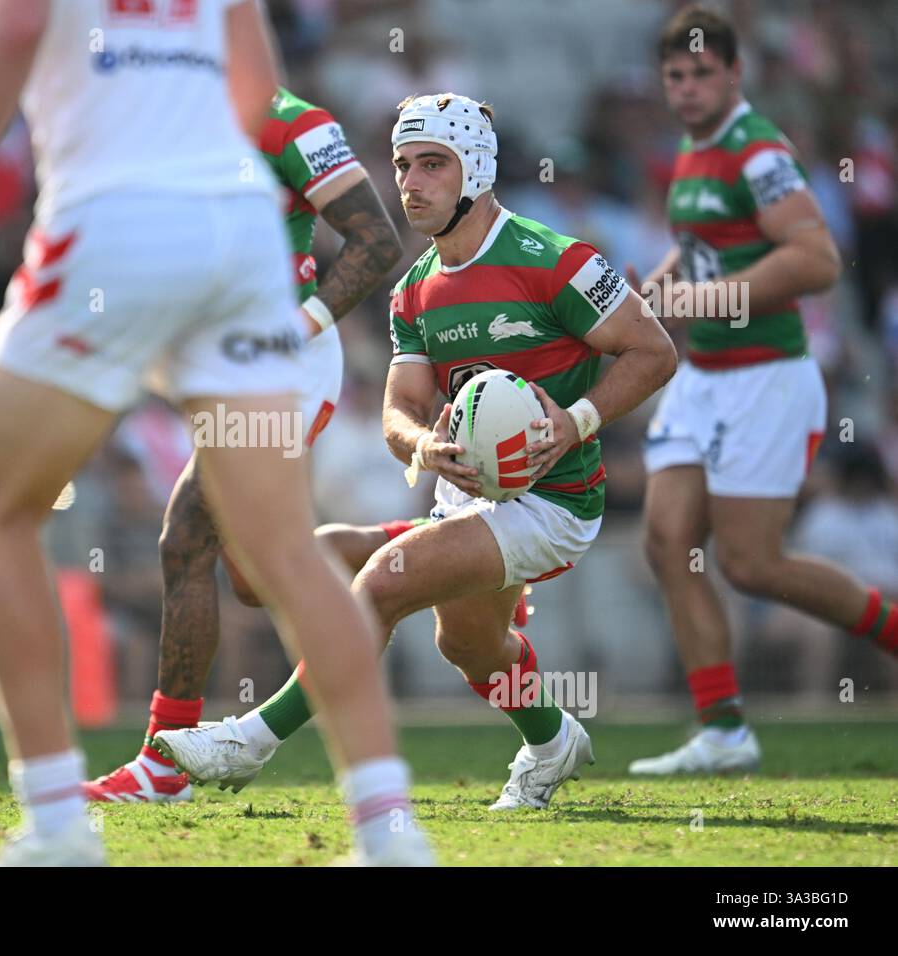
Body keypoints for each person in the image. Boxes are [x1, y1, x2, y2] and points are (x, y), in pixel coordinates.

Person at [0, 0, 432, 866]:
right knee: (282, 555)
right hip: (235, 233)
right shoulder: (271, 105)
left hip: (117, 219)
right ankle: (389, 834)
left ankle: (59, 827)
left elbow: (13, 27)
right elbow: (255, 82)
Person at [156, 92, 676, 811]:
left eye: (433, 164)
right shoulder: (413, 292)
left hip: (553, 502)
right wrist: (426, 445)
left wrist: (575, 420)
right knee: (461, 641)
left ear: (478, 170)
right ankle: (553, 740)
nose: (411, 183)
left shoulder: (559, 261)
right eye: (402, 165)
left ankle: (250, 740)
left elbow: (654, 351)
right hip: (466, 497)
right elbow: (398, 410)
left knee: (383, 578)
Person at [84, 86, 403, 804]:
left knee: (186, 536)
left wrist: (302, 325)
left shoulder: (292, 122)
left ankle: (166, 765)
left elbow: (377, 239)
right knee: (259, 575)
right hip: (227, 363)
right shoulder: (165, 118)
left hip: (285, 365)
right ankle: (428, 549)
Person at [630, 6, 896, 776]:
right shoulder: (692, 150)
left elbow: (815, 259)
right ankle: (722, 730)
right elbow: (699, 252)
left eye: (701, 73)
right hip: (703, 379)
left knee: (751, 565)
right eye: (675, 76)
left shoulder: (756, 149)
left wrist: (708, 301)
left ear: (735, 74)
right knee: (666, 540)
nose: (686, 88)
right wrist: (654, 289)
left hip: (765, 379)